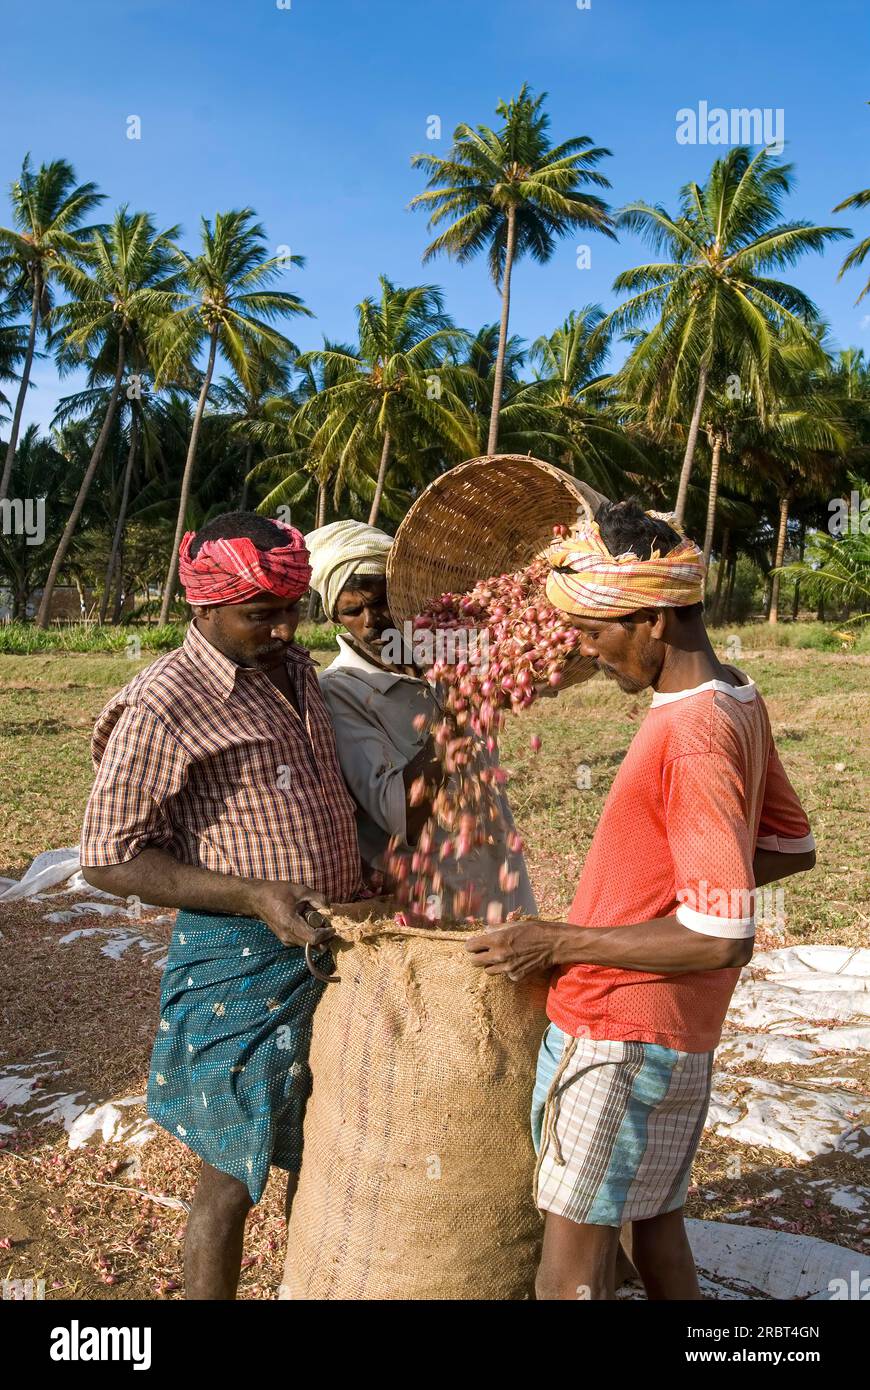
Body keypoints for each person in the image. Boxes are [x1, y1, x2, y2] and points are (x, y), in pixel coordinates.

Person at [465, 499, 816, 1301]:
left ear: (656, 619)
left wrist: (560, 940)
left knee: (571, 1274)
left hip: (623, 1033)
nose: (587, 652)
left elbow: (721, 937)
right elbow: (792, 846)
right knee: (651, 1224)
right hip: (672, 1032)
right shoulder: (735, 696)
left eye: (595, 631)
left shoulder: (690, 733)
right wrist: (689, 885)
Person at [80, 513, 362, 1300]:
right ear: (203, 608)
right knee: (229, 1178)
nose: (279, 627)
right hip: (238, 961)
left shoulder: (297, 672)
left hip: (325, 950)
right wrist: (249, 894)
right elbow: (107, 856)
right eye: (258, 614)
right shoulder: (165, 703)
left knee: (325, 1145)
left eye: (289, 609)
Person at [304, 519, 536, 921]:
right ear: (336, 617)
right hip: (431, 885)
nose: (371, 621)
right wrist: (446, 735)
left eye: (379, 602)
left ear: (400, 595)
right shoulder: (343, 690)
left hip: (493, 856)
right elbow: (398, 813)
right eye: (352, 611)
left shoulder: (441, 655)